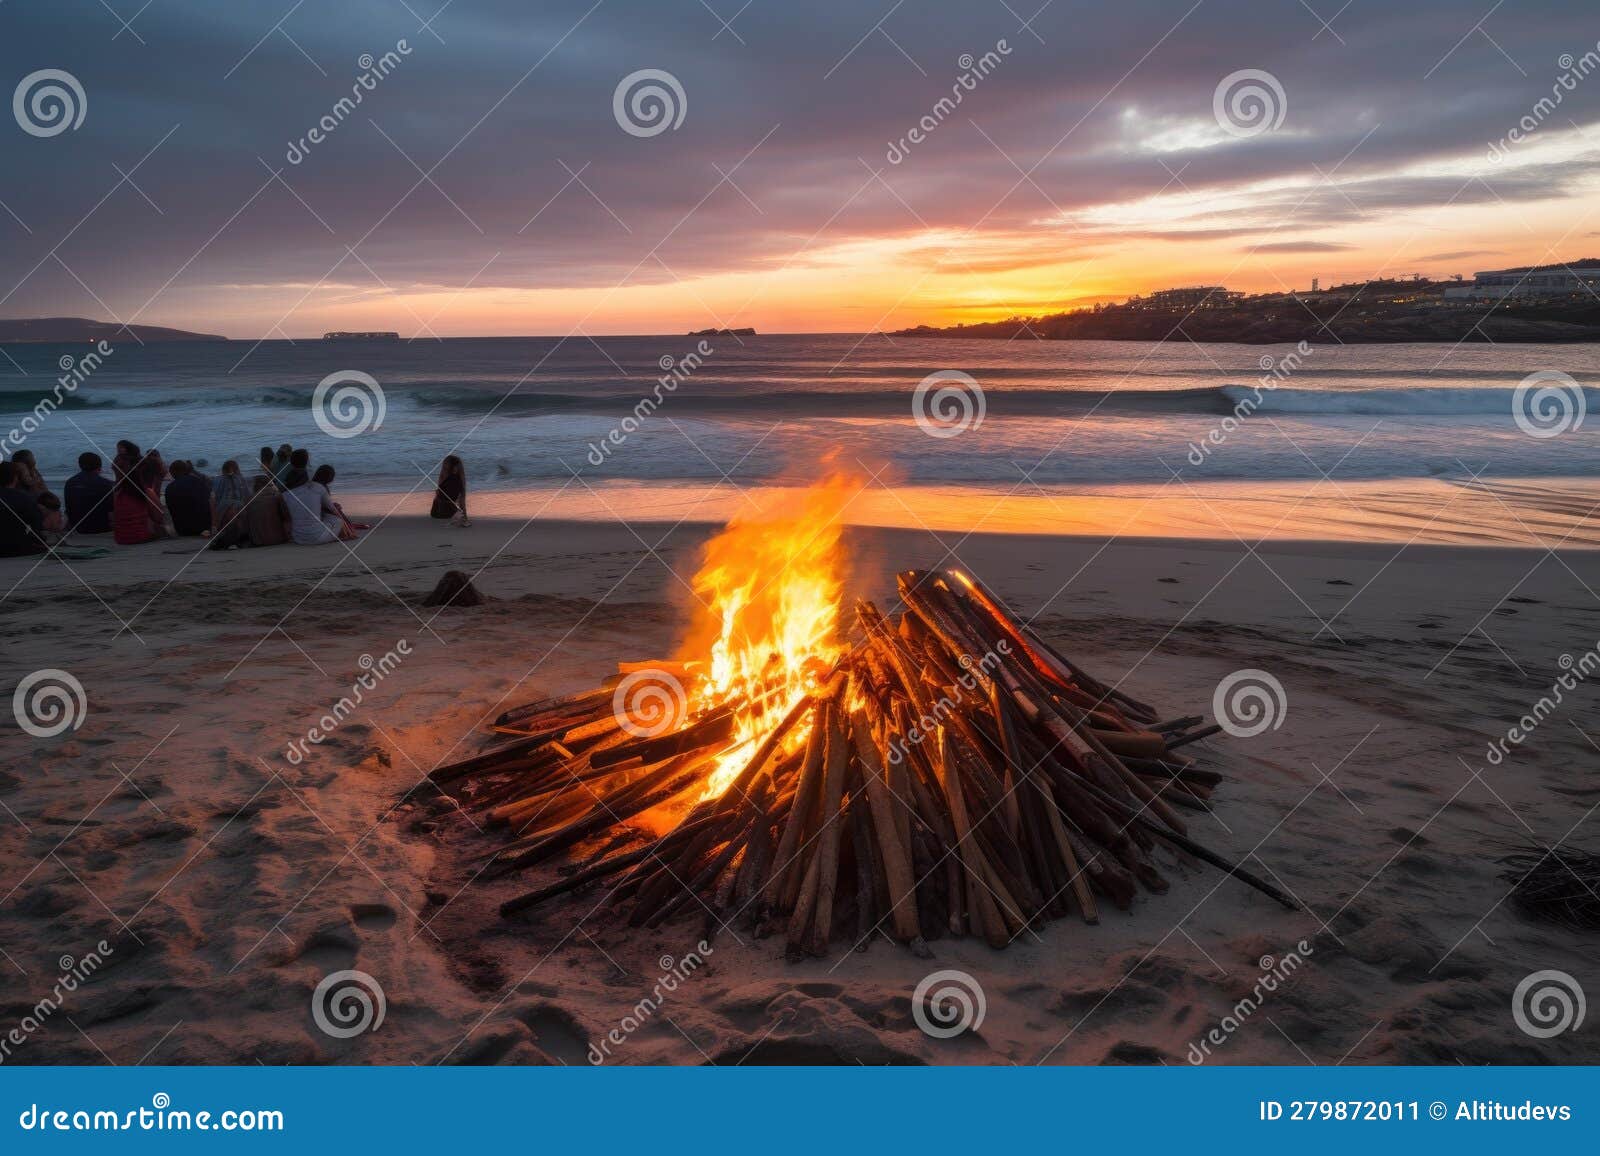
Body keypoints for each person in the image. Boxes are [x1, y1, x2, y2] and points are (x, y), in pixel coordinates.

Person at [286, 464, 356, 544]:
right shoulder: (319, 488)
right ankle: (346, 532)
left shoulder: (286, 494)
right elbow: (331, 510)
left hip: (298, 537)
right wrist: (347, 528)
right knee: (337, 518)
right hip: (317, 525)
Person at [113, 451, 164, 545]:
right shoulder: (146, 491)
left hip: (120, 538)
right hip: (141, 537)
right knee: (167, 529)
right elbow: (159, 518)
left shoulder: (118, 492)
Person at [0, 460, 45, 557]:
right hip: (16, 548)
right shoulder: (23, 498)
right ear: (15, 478)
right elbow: (36, 524)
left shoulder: (23, 497)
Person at [64, 452, 114, 534]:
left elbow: (68, 508)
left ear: (80, 465)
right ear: (99, 466)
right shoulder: (105, 484)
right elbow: (111, 512)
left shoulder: (70, 483)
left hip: (78, 527)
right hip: (102, 528)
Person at [208, 459, 250, 546]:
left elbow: (213, 500)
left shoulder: (217, 480)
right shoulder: (241, 479)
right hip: (239, 510)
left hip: (223, 511)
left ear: (223, 470)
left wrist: (214, 524)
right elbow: (247, 497)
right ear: (237, 470)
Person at [164, 460, 211, 537]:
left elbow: (172, 509)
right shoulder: (199, 482)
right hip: (204, 526)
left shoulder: (170, 488)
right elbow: (207, 500)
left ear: (173, 472)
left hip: (183, 530)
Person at [242, 474, 292, 547]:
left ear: (256, 485)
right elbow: (287, 517)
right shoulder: (277, 496)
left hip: (257, 541)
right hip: (277, 539)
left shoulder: (249, 500)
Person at [430, 455, 471, 527]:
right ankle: (460, 517)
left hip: (438, 513)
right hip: (446, 512)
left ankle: (458, 517)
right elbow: (462, 499)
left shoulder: (445, 478)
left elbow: (438, 493)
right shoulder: (459, 480)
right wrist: (465, 517)